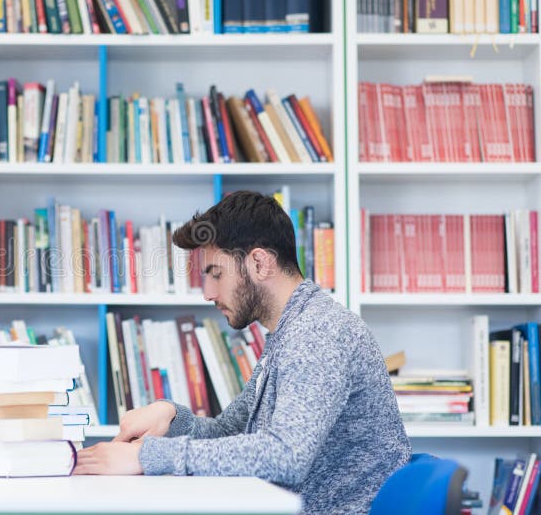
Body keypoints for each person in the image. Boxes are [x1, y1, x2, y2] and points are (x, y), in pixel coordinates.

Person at [73, 190, 411, 514]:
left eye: (216, 275)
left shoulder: (317, 333)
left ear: (260, 263)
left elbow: (285, 456)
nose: (207, 293)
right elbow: (230, 432)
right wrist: (170, 417)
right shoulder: (288, 332)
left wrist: (148, 455)